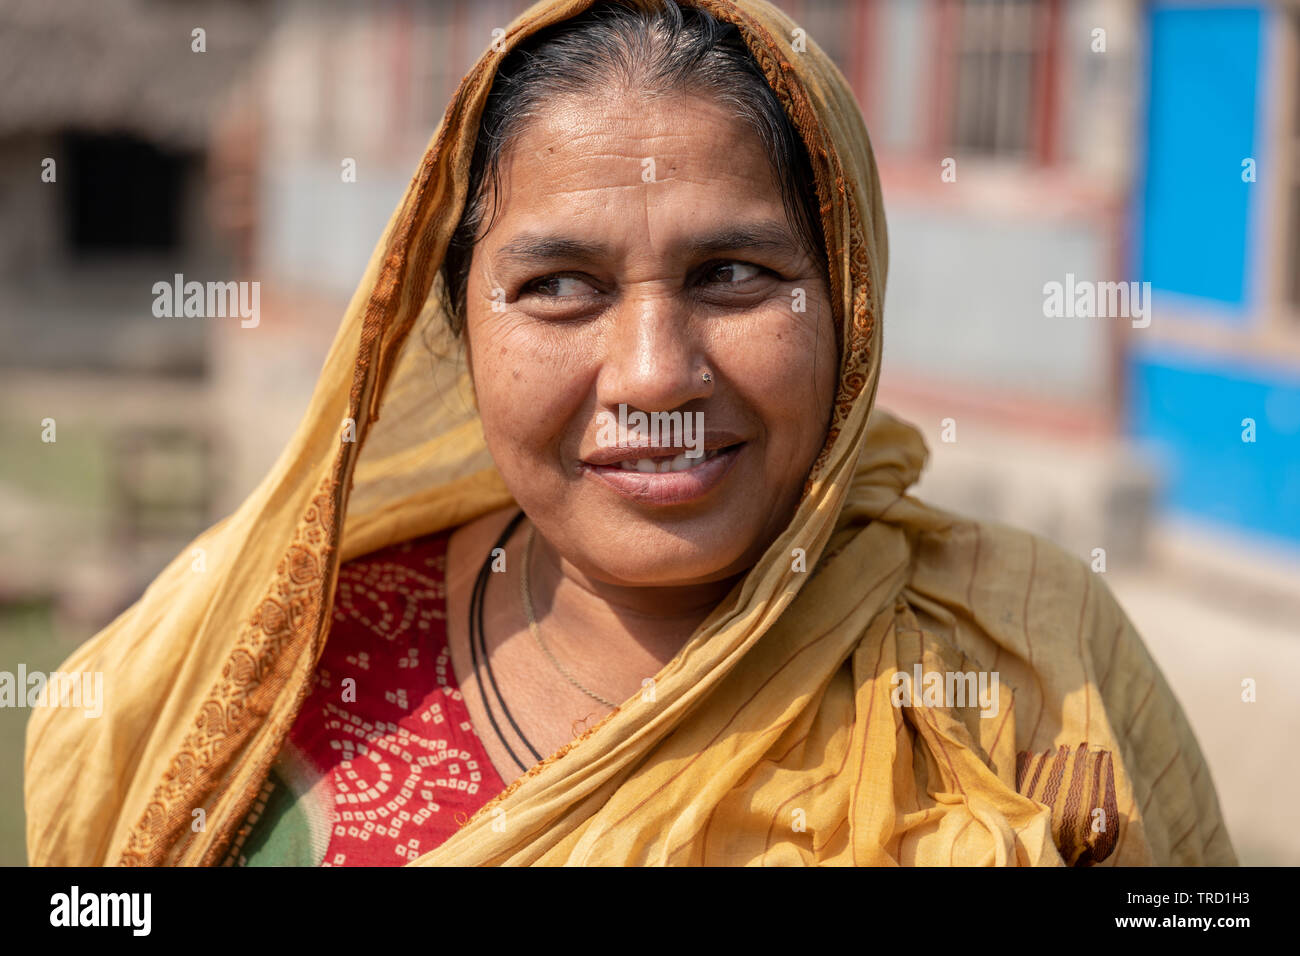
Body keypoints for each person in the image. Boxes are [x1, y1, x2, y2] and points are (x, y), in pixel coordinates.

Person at [25, 0, 1236, 866]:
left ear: (847, 305)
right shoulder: (264, 663)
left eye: (733, 273)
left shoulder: (1027, 655)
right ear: (454, 322)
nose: (655, 372)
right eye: (559, 286)